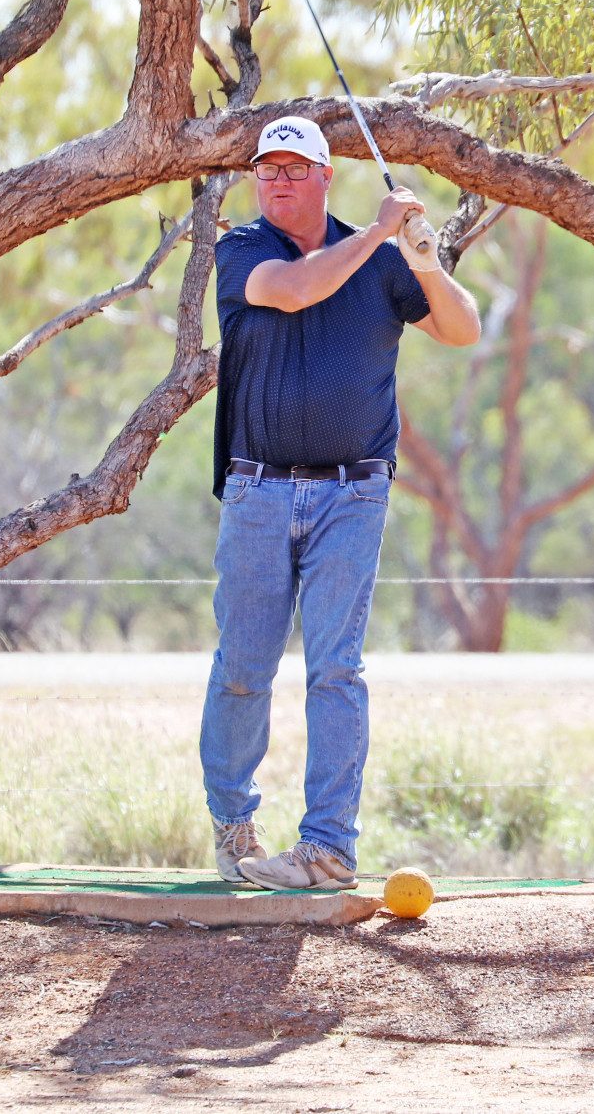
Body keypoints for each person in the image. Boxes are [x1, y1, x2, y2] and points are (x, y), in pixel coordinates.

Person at [203, 115, 481, 890]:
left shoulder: (385, 261)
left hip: (353, 494)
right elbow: (295, 292)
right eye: (268, 170)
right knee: (242, 669)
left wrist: (423, 262)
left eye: (295, 167)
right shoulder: (243, 251)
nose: (279, 180)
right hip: (258, 490)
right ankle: (234, 824)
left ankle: (327, 849)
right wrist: (378, 236)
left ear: (327, 176)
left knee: (337, 672)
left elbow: (463, 328)